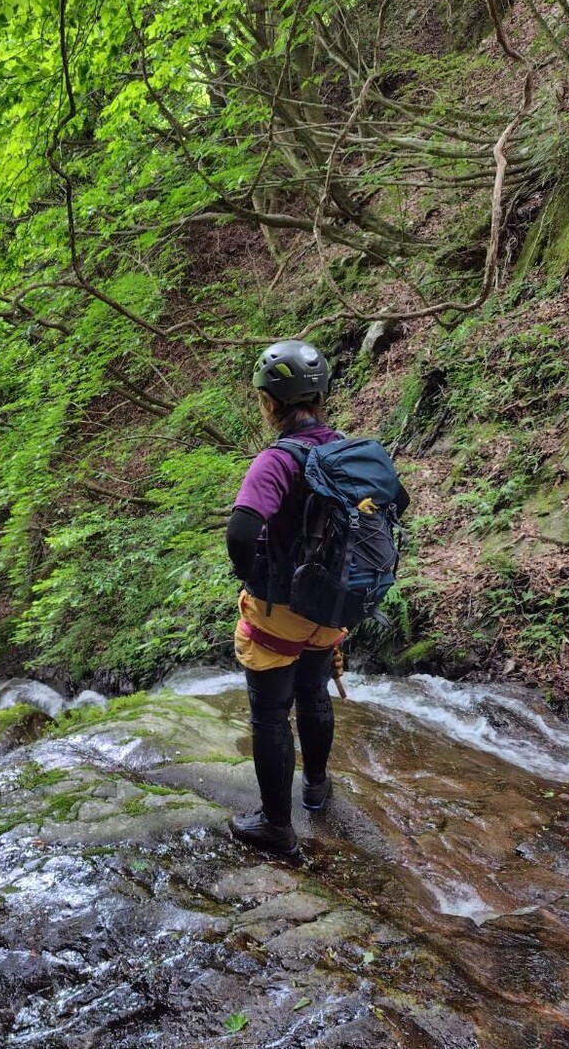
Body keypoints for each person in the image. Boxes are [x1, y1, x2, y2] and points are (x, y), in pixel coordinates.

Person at [224, 339, 347, 856]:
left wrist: (255, 577)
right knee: (314, 693)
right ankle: (316, 789)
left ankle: (277, 825)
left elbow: (240, 531)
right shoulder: (345, 449)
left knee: (271, 714)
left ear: (271, 403)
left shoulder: (276, 461)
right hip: (334, 605)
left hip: (283, 611)